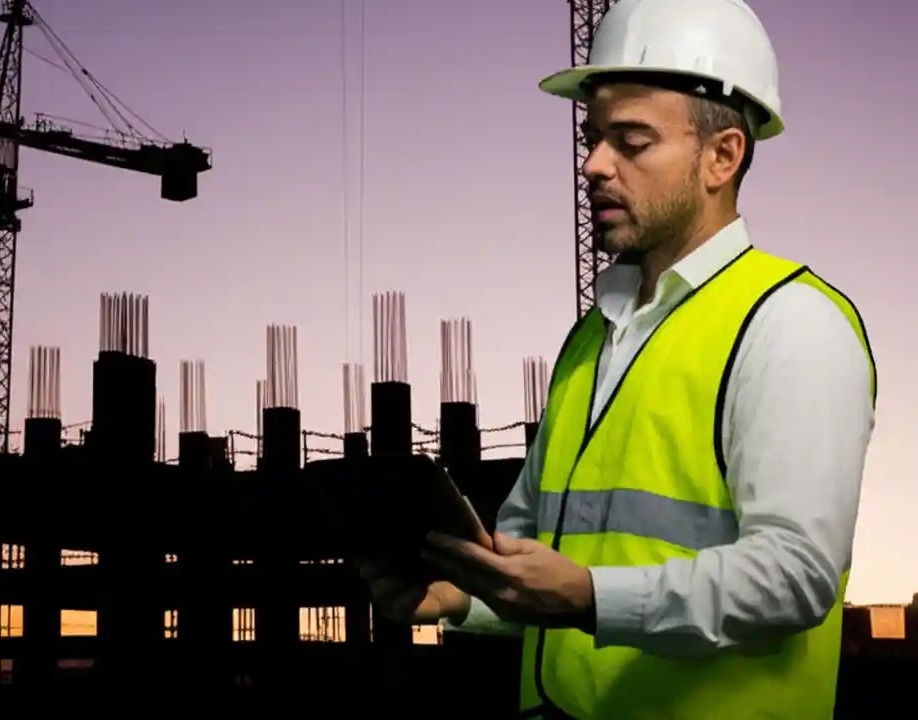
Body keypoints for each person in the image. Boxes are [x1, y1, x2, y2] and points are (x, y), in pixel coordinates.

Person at [357, 0, 877, 718]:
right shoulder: (591, 339)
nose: (593, 165)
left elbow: (795, 577)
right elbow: (543, 564)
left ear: (722, 156)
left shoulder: (792, 324)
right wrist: (462, 597)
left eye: (630, 141)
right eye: (593, 138)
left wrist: (590, 597)